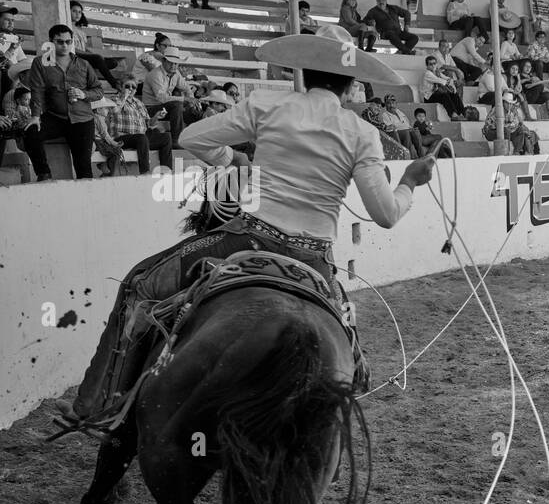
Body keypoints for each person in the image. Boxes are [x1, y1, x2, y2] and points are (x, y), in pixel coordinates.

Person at [53, 33, 437, 434]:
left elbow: (190, 137)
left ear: (302, 69)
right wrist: (409, 181)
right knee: (347, 348)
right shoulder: (362, 133)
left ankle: (94, 402)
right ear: (350, 81)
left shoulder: (268, 106)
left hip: (250, 238)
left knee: (140, 283)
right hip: (314, 258)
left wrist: (233, 158)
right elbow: (387, 214)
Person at [26, 24, 105, 181]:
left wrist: (84, 94)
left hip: (82, 118)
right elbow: (37, 91)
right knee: (31, 133)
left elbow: (99, 91)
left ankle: (86, 201)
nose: (65, 45)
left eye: (68, 41)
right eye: (60, 42)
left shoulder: (83, 64)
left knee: (84, 169)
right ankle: (44, 174)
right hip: (56, 116)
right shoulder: (40, 63)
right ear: (51, 42)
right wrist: (35, 116)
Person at [106, 77, 172, 172]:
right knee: (141, 137)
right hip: (121, 138)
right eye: (127, 86)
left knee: (166, 137)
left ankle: (166, 172)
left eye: (134, 87)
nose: (131, 89)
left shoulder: (139, 103)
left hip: (141, 140)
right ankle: (145, 172)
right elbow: (115, 111)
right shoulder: (113, 100)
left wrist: (156, 117)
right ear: (121, 87)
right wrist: (124, 97)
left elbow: (148, 124)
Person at [141, 45, 192, 145]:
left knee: (190, 108)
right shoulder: (156, 74)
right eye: (170, 63)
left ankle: (192, 139)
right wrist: (185, 99)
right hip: (150, 109)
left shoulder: (176, 73)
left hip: (164, 108)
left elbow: (186, 87)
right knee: (177, 105)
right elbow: (161, 98)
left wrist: (191, 98)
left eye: (176, 63)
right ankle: (176, 140)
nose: (173, 66)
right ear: (164, 61)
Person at [68, 0, 119, 84]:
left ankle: (93, 65)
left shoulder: (80, 30)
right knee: (97, 58)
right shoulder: (67, 28)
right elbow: (73, 49)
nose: (77, 14)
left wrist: (92, 54)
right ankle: (114, 83)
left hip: (84, 56)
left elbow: (84, 49)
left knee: (113, 62)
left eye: (80, 12)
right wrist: (92, 56)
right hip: (74, 56)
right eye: (74, 11)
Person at [482, 91, 538, 156]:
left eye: (510, 103)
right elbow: (492, 126)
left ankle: (517, 152)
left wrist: (515, 126)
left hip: (507, 131)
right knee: (506, 130)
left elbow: (517, 123)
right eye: (507, 103)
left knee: (522, 130)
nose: (509, 105)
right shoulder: (496, 110)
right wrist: (510, 125)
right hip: (491, 132)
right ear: (503, 102)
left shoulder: (513, 111)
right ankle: (506, 152)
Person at [421, 55, 465, 119]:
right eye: (430, 64)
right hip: (429, 97)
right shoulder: (427, 74)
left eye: (434, 63)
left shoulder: (436, 72)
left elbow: (447, 78)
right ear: (427, 66)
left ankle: (462, 113)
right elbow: (441, 81)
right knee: (444, 95)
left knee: (454, 94)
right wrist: (451, 83)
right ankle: (453, 115)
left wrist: (452, 84)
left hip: (437, 94)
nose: (433, 66)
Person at [90, 97, 124, 175]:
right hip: (99, 141)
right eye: (106, 108)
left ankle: (105, 168)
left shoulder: (97, 117)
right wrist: (114, 143)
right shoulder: (99, 119)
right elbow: (104, 134)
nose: (108, 110)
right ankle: (110, 173)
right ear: (98, 110)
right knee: (115, 153)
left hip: (97, 140)